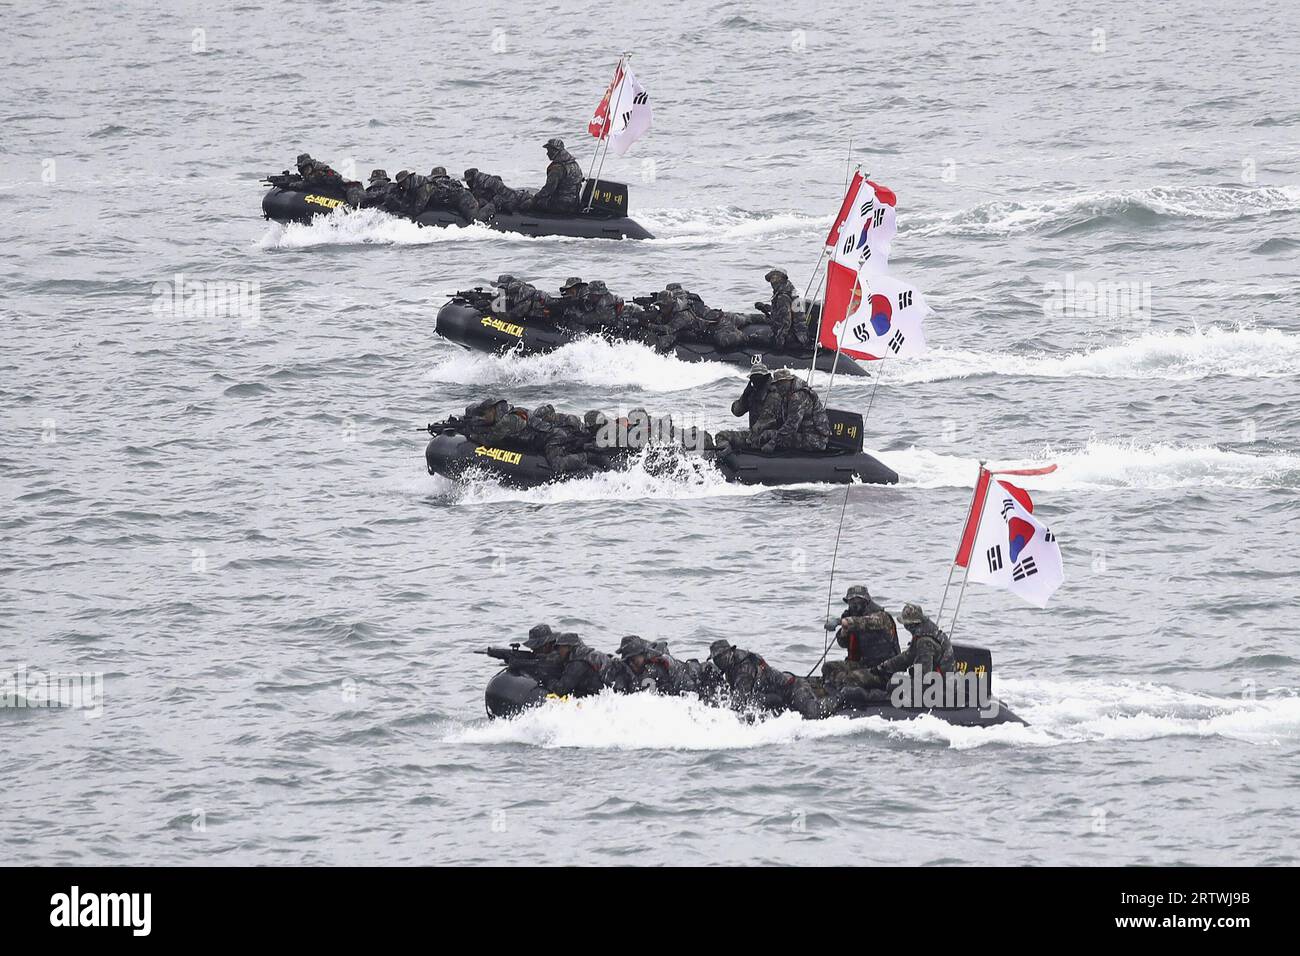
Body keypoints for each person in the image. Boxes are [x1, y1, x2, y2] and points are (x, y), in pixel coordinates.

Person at [707, 640, 822, 719]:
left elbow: (742, 700)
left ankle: (840, 696)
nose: (718, 662)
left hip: (793, 689)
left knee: (815, 713)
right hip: (775, 695)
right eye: (716, 660)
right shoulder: (731, 667)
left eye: (720, 658)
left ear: (730, 653)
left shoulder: (744, 668)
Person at [822, 586, 901, 693]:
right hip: (863, 664)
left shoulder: (881, 617)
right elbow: (843, 643)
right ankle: (830, 692)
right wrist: (843, 632)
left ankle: (852, 697)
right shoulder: (852, 618)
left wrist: (841, 621)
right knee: (828, 667)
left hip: (884, 670)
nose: (855, 605)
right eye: (851, 601)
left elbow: (865, 622)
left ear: (866, 601)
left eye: (858, 600)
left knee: (850, 678)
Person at [870, 603, 956, 683]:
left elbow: (924, 678)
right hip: (940, 682)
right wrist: (883, 667)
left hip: (941, 687)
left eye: (906, 624)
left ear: (912, 625)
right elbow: (907, 657)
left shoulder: (925, 642)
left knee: (893, 686)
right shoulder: (924, 634)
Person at [544, 632, 616, 697]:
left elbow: (561, 690)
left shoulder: (577, 663)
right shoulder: (586, 655)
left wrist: (548, 680)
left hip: (600, 696)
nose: (558, 651)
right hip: (604, 693)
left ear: (569, 647)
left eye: (559, 648)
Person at [761, 268, 812, 352]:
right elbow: (782, 311)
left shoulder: (782, 297)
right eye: (772, 279)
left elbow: (786, 323)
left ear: (782, 279)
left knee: (756, 336)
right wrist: (765, 307)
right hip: (801, 335)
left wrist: (779, 343)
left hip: (792, 337)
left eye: (776, 278)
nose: (773, 281)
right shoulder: (791, 291)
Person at [526, 138, 583, 213]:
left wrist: (533, 200)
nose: (547, 153)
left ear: (555, 151)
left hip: (560, 205)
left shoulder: (557, 168)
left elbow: (548, 189)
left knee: (532, 203)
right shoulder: (574, 164)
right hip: (574, 203)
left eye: (549, 150)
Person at [460, 398, 530, 446]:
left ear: (492, 410)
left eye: (484, 414)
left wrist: (470, 435)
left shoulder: (507, 420)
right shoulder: (507, 413)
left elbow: (488, 440)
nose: (483, 418)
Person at [464, 167, 533, 216]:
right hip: (515, 195)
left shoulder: (480, 182)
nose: (467, 184)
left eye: (468, 181)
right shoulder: (486, 178)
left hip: (513, 199)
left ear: (471, 180)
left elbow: (476, 197)